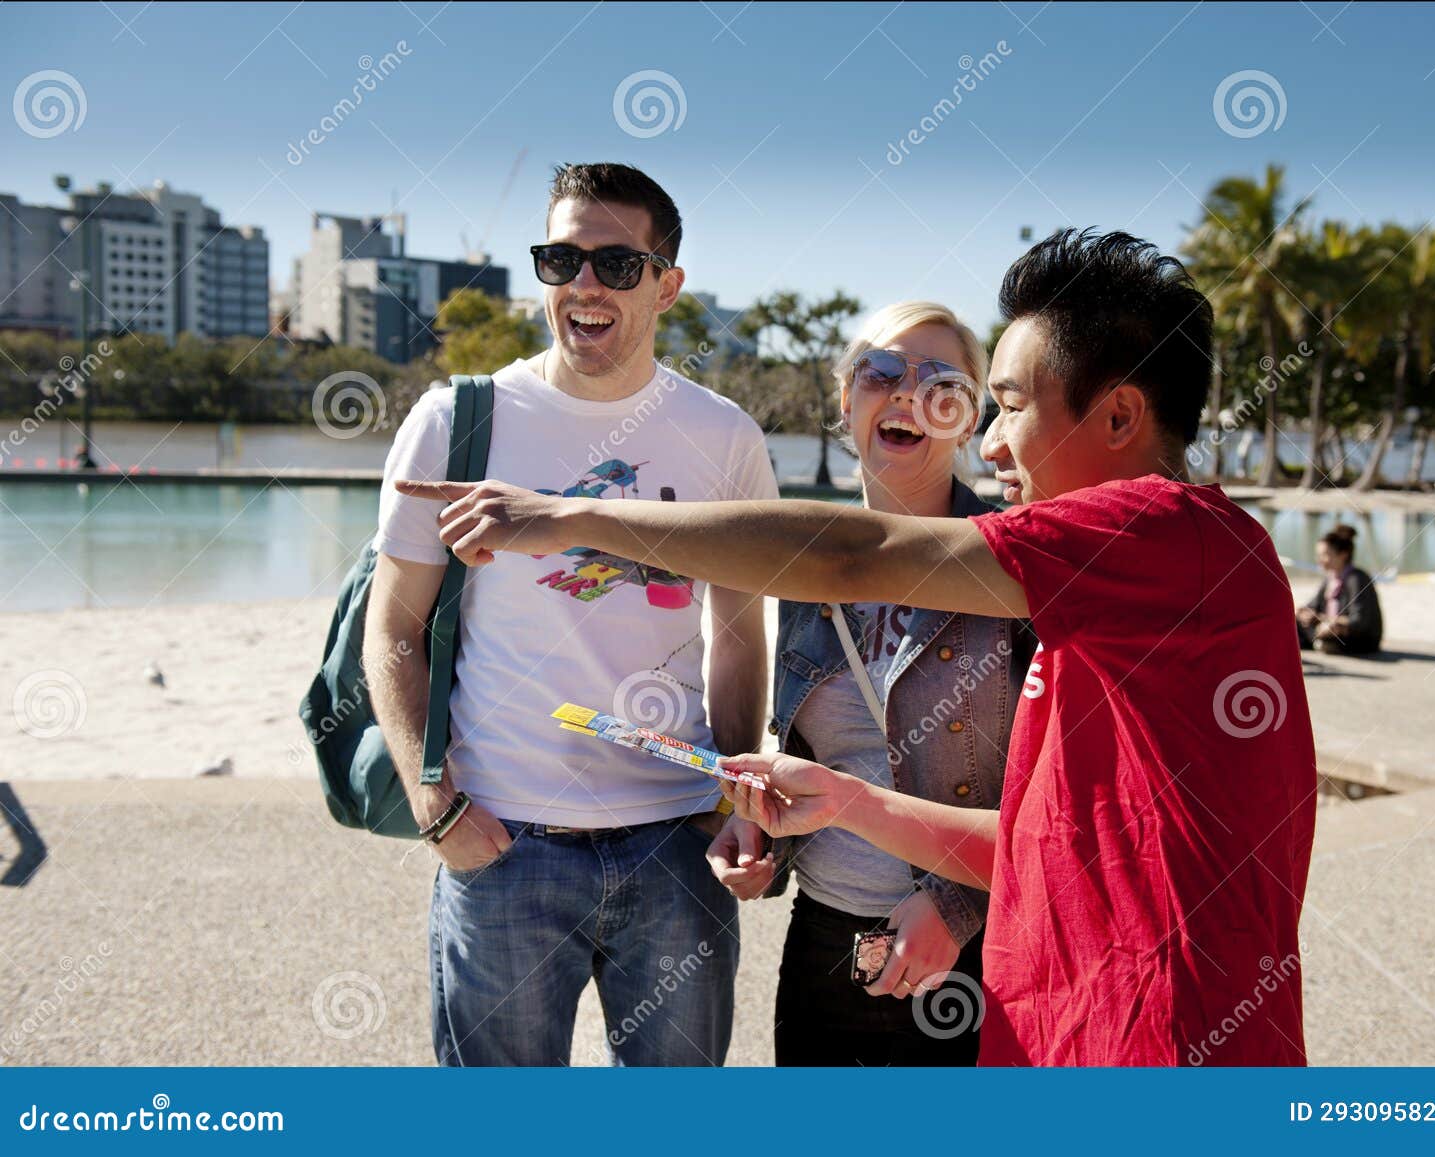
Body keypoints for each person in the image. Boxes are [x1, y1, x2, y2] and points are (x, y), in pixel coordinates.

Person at [397, 228, 1319, 1067]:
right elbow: (1032, 846)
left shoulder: (1170, 536)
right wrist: (844, 801)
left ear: (1117, 418)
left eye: (1004, 407)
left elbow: (853, 553)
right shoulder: (1112, 590)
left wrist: (569, 516)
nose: (995, 445)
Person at [367, 162, 776, 1066]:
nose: (585, 283)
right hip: (501, 840)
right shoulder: (454, 420)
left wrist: (728, 799)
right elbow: (391, 629)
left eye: (617, 265)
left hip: (676, 842)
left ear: (667, 285)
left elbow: (739, 638)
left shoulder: (725, 437)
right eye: (561, 260)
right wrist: (433, 798)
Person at [706, 301, 1033, 1066]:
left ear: (969, 417)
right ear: (846, 397)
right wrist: (754, 828)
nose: (906, 393)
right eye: (880, 371)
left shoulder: (1014, 564)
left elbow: (1054, 791)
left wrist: (957, 906)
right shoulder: (807, 560)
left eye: (940, 382)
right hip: (824, 941)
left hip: (977, 950)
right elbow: (817, 753)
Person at [1297, 523, 1383, 654]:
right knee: (1291, 623)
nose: (1320, 560)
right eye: (1318, 555)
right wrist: (1303, 612)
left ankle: (1318, 642)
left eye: (1325, 555)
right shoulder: (1330, 578)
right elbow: (1313, 606)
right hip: (1327, 627)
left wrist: (1334, 623)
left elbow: (1359, 621)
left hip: (1357, 638)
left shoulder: (1357, 578)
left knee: (1327, 632)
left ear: (1343, 554)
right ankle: (1314, 642)